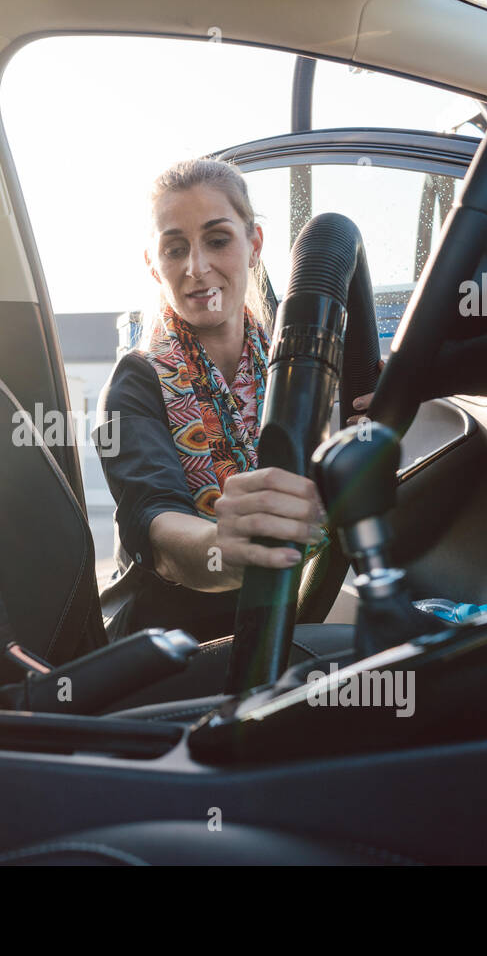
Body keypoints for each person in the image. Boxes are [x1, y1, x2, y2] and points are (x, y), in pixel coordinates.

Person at [94, 157, 377, 643]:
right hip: (169, 645)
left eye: (218, 240)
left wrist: (373, 430)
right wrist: (222, 549)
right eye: (174, 248)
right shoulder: (135, 383)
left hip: (282, 622)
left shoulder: (294, 367)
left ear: (254, 245)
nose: (196, 268)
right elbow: (155, 525)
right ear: (153, 264)